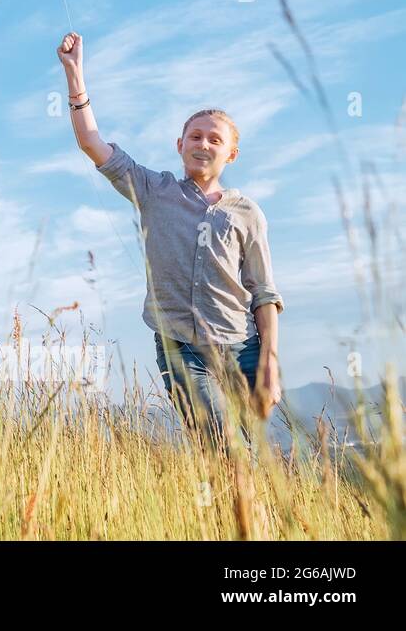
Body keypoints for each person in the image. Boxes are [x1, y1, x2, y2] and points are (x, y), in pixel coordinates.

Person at [55, 30, 283, 451]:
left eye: (215, 139)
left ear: (230, 154)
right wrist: (75, 75)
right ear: (180, 145)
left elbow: (263, 292)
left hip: (242, 348)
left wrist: (268, 360)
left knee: (251, 455)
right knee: (222, 448)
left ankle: (248, 519)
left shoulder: (246, 212)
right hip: (182, 349)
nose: (203, 144)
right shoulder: (153, 190)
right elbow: (91, 142)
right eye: (195, 136)